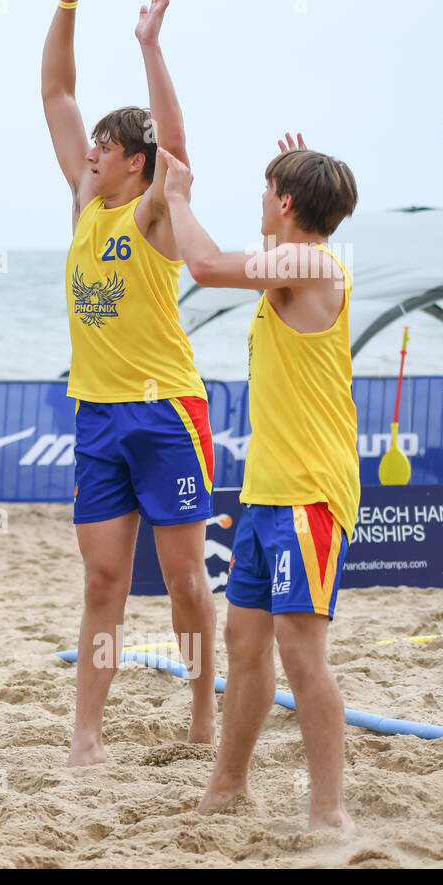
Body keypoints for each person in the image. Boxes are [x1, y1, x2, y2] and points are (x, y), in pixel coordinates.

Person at [42, 0, 218, 763]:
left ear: (134, 163)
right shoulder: (86, 206)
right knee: (104, 583)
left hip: (166, 410)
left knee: (186, 582)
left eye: (104, 149)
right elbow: (56, 92)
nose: (90, 154)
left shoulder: (151, 214)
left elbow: (176, 148)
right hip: (99, 416)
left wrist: (150, 46)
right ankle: (86, 735)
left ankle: (201, 715)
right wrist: (69, 5)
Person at [159, 136, 360, 834]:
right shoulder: (288, 263)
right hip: (266, 493)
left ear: (285, 202)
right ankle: (228, 787)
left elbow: (207, 266)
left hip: (310, 494)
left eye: (267, 190)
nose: (258, 201)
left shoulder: (310, 262)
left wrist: (178, 196)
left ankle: (329, 813)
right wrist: (303, 174)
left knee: (303, 655)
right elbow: (241, 258)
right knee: (245, 644)